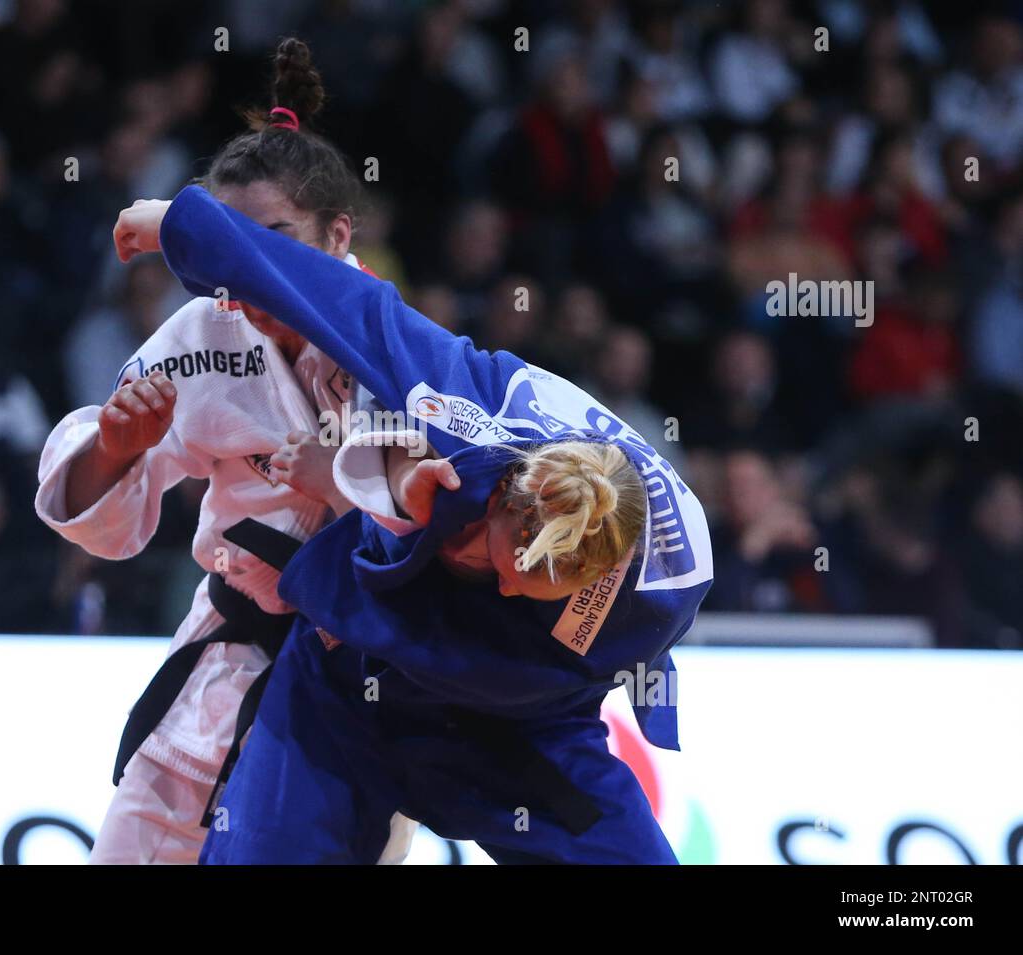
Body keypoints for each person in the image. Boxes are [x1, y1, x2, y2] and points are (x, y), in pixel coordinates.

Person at [111, 185, 713, 863]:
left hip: (522, 725)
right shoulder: (458, 406)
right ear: (501, 498)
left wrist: (357, 508)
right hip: (349, 687)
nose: (510, 588)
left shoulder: (663, 590)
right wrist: (186, 225)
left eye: (528, 586)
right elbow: (348, 301)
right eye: (500, 559)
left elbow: (512, 660)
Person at [36, 39, 413, 864]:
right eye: (227, 247)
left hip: (359, 674)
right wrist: (116, 447)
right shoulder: (204, 330)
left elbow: (427, 519)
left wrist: (341, 481)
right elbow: (104, 508)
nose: (247, 273)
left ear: (337, 234)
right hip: (227, 651)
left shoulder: (391, 338)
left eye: (275, 240)